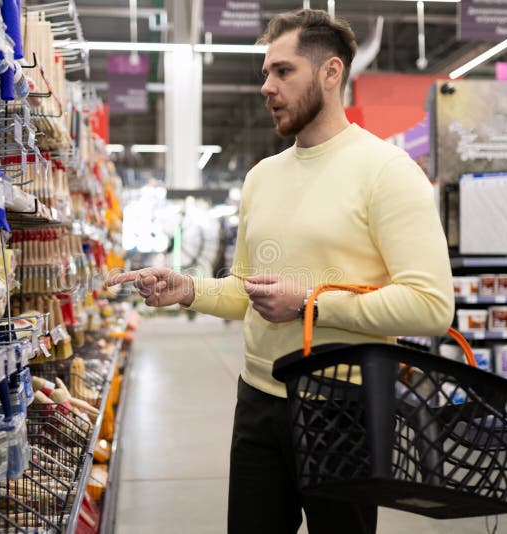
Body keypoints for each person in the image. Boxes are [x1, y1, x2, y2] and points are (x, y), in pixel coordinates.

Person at [105, 8, 454, 534]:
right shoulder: (262, 177)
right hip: (258, 404)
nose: (266, 86)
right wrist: (189, 289)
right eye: (265, 72)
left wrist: (309, 303)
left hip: (344, 409)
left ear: (331, 73)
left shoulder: (387, 172)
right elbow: (250, 288)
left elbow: (430, 306)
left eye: (283, 71)